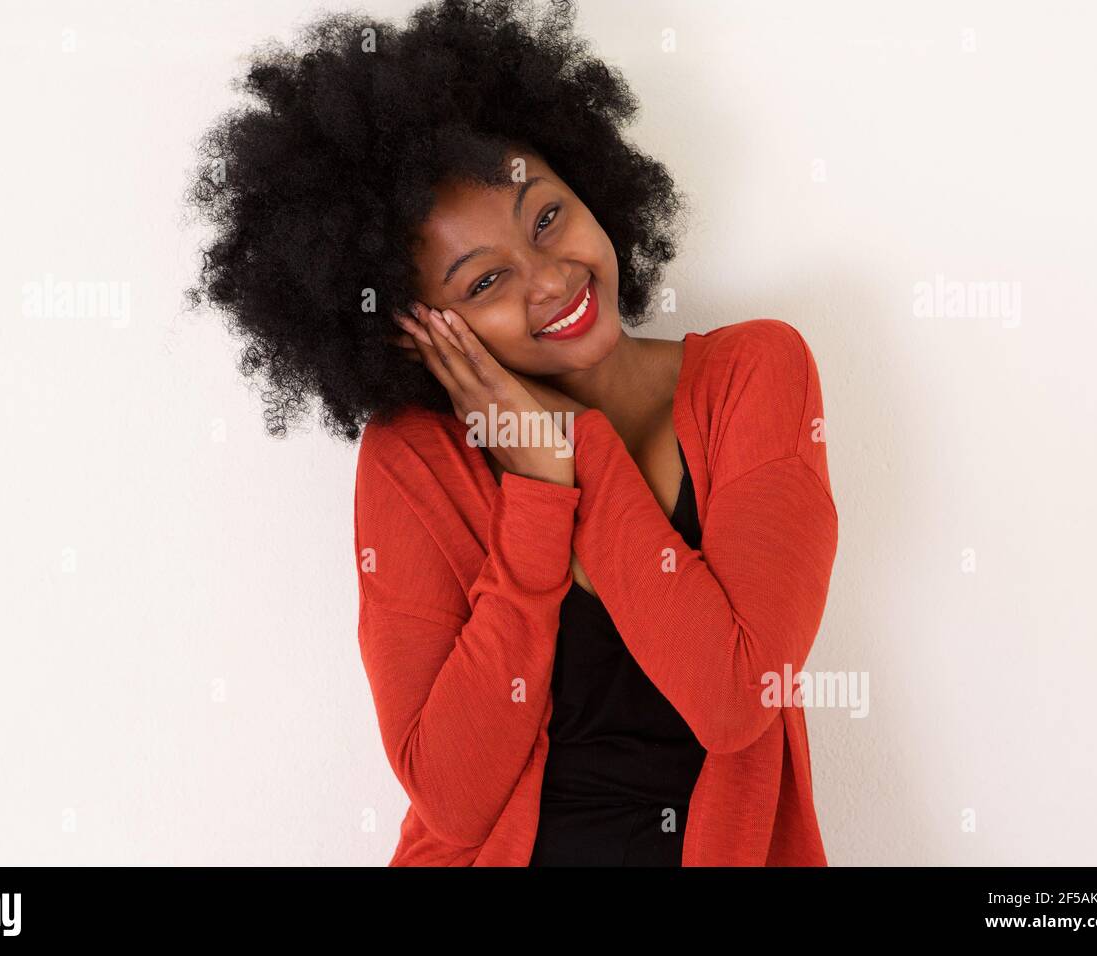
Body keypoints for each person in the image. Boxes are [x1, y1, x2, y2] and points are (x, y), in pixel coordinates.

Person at [187, 0, 839, 866]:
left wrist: (575, 450)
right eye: (487, 279)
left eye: (546, 217)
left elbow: (733, 699)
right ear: (417, 328)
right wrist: (536, 496)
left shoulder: (755, 373)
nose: (551, 278)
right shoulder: (414, 460)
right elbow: (453, 799)